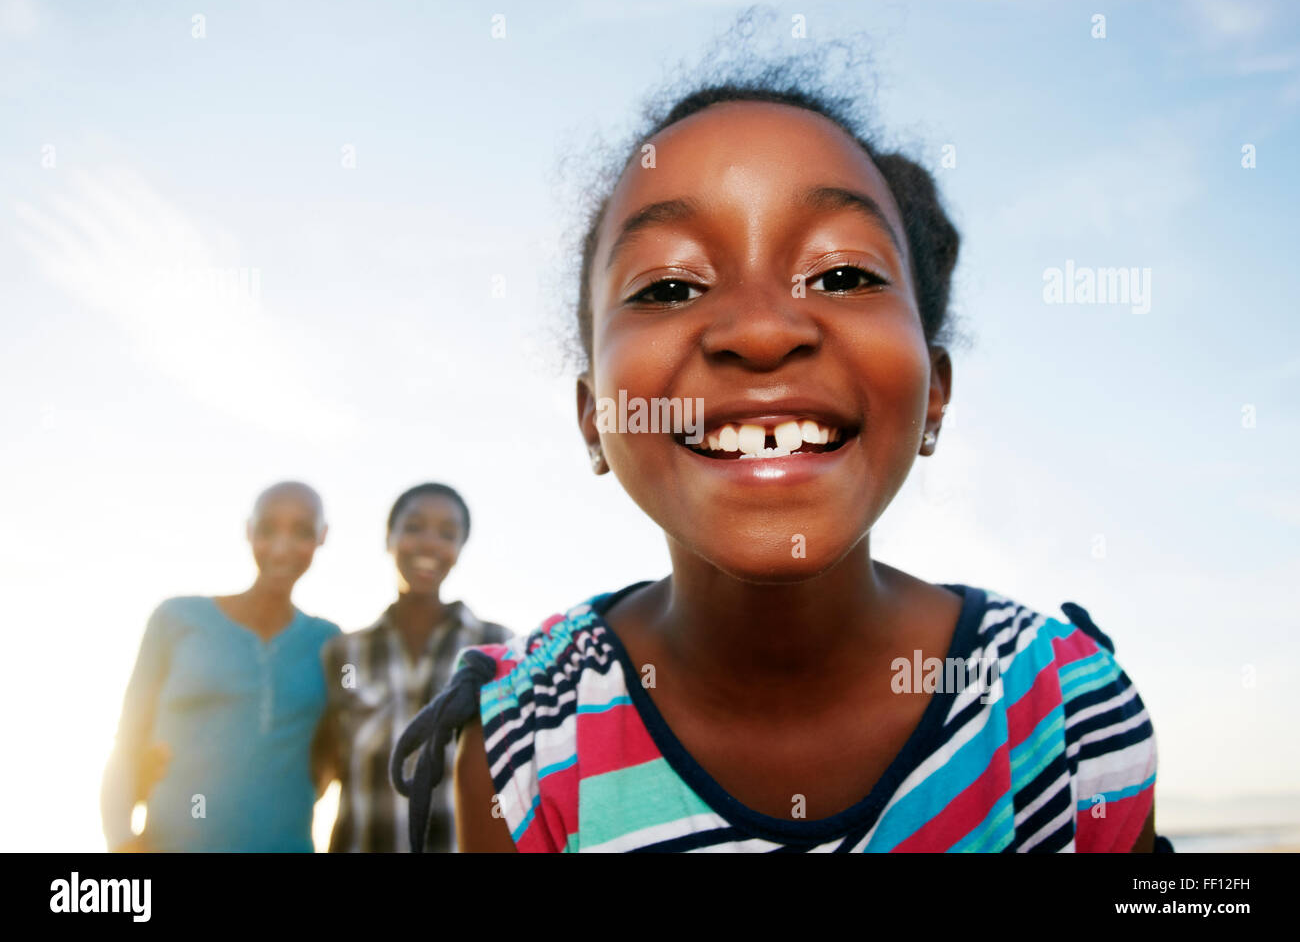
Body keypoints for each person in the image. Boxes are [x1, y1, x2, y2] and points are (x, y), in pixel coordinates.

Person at [393, 42, 1166, 853]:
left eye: (843, 275)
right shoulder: (527, 744)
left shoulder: (1065, 715)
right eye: (668, 287)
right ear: (594, 417)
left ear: (934, 393)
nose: (761, 330)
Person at [100, 481, 341, 852]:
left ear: (322, 536)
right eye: (268, 530)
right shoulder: (177, 619)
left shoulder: (329, 642)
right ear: (249, 531)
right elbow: (128, 742)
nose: (282, 548)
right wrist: (121, 840)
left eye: (302, 531)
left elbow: (335, 750)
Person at [317, 483, 510, 852]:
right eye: (414, 527)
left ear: (459, 549)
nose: (429, 543)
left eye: (447, 534)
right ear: (388, 538)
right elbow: (324, 762)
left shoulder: (496, 648)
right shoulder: (344, 654)